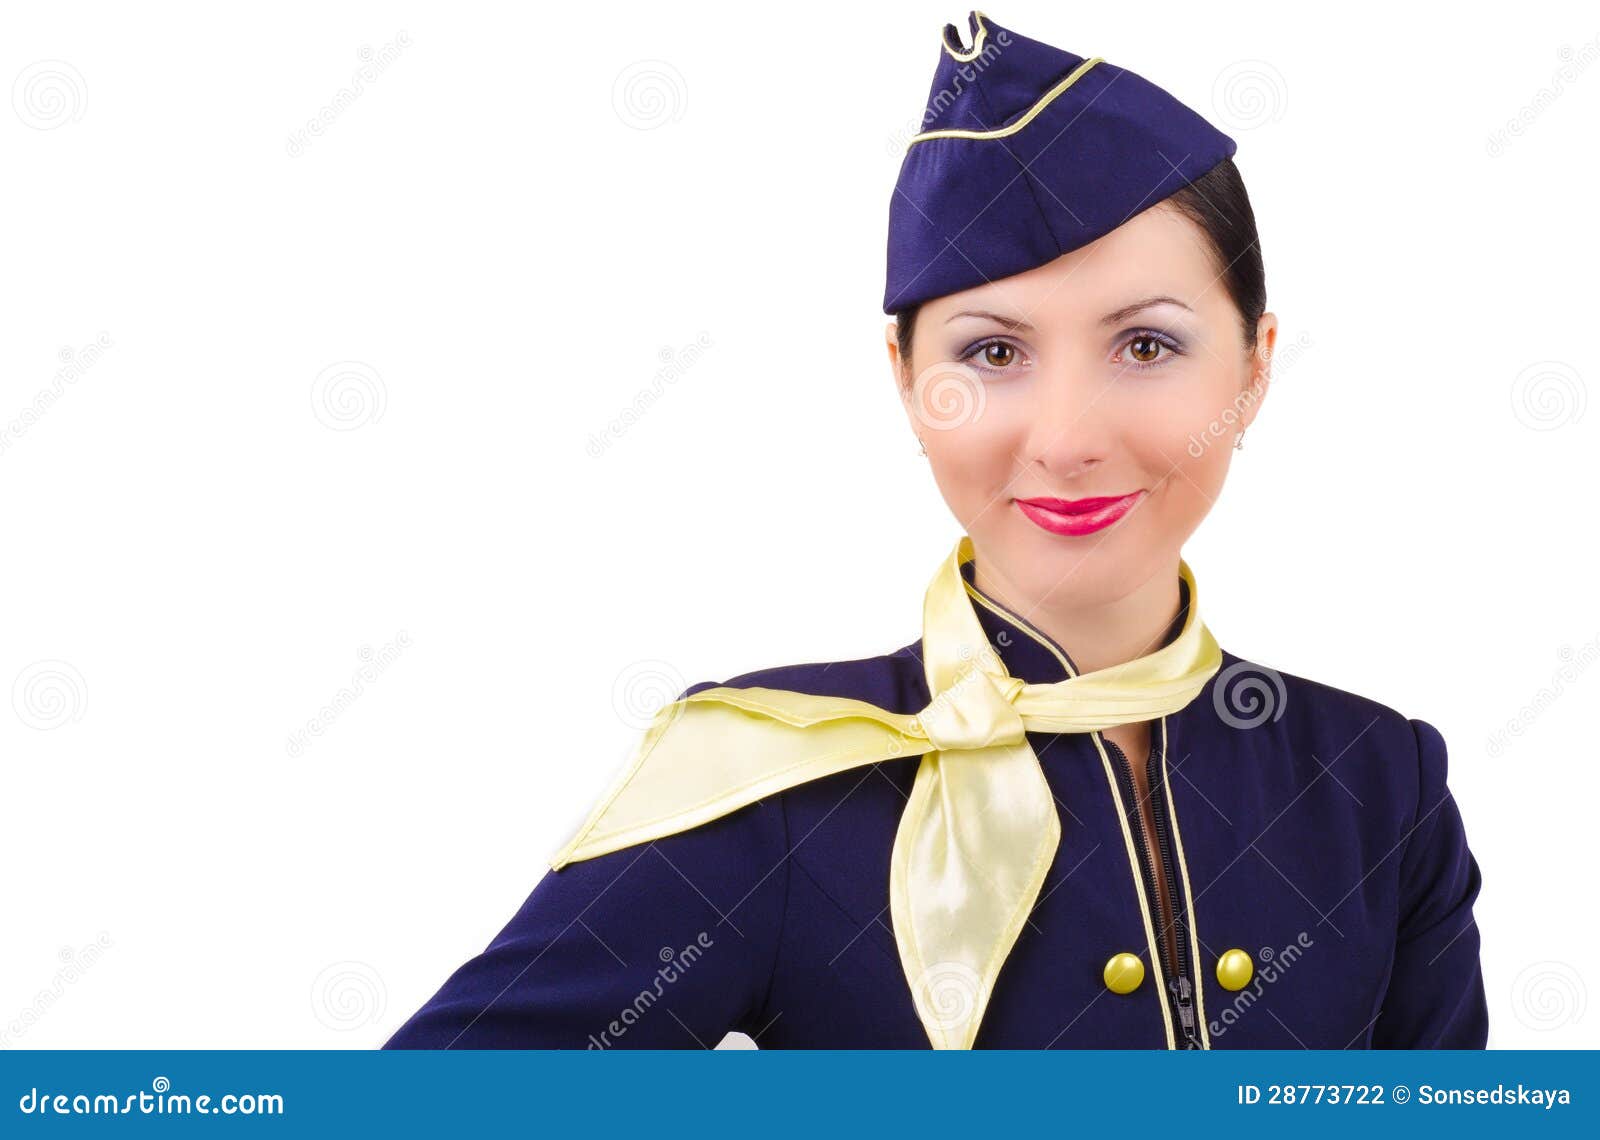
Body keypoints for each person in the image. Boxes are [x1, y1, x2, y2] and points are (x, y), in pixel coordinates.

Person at [384, 10, 1487, 1050]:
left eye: (1146, 346)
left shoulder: (1378, 783)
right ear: (908, 382)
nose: (1066, 440)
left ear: (1253, 367)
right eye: (993, 354)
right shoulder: (774, 785)